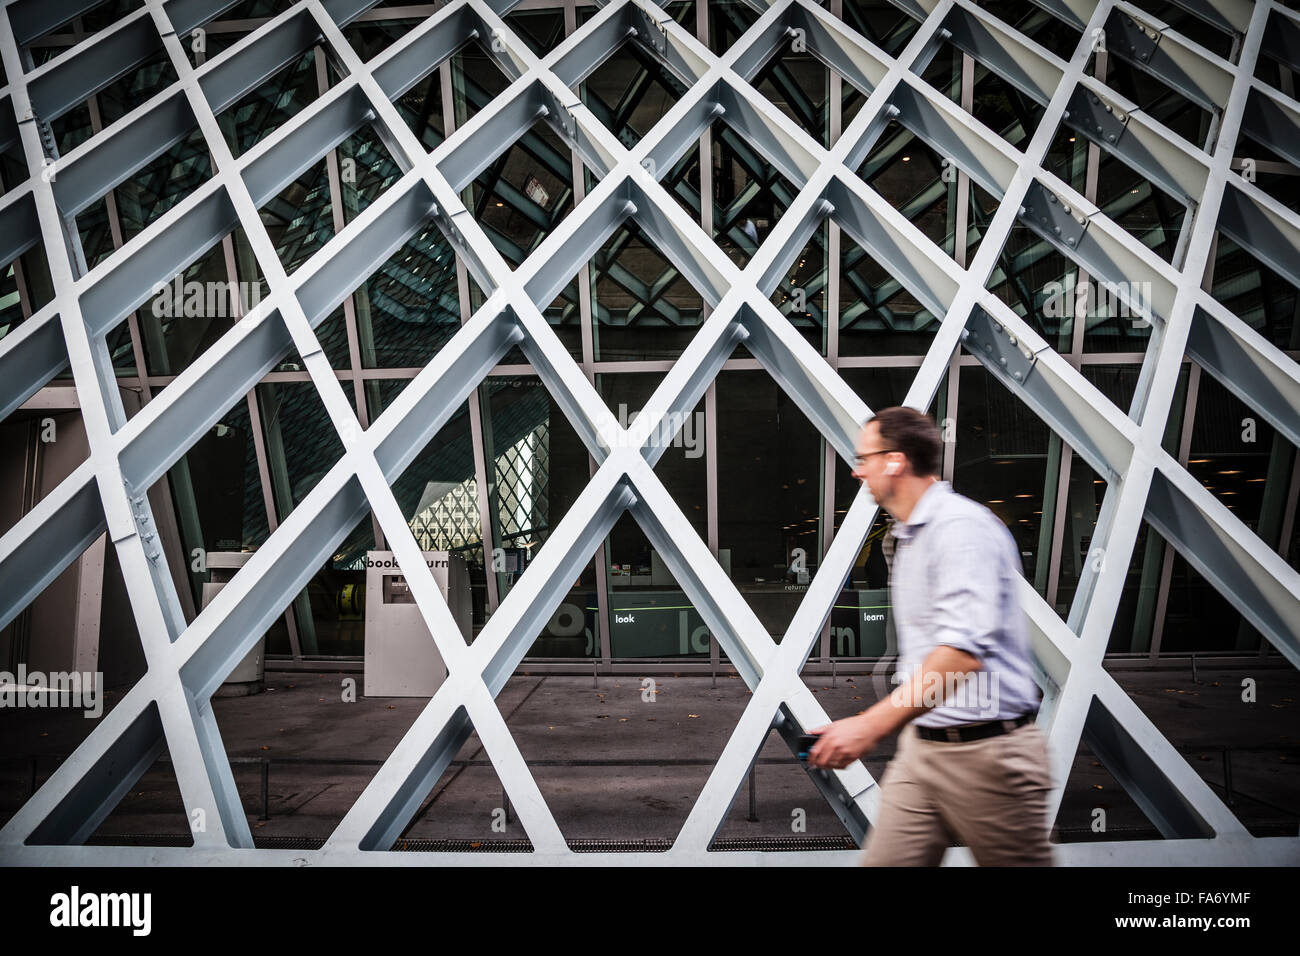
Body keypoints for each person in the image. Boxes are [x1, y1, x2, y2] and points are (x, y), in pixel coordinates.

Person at [807, 406, 1053, 866]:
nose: (858, 470)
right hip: (923, 749)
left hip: (990, 756)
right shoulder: (905, 536)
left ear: (895, 461)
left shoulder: (961, 529)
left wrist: (868, 725)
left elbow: (961, 655)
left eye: (866, 458)